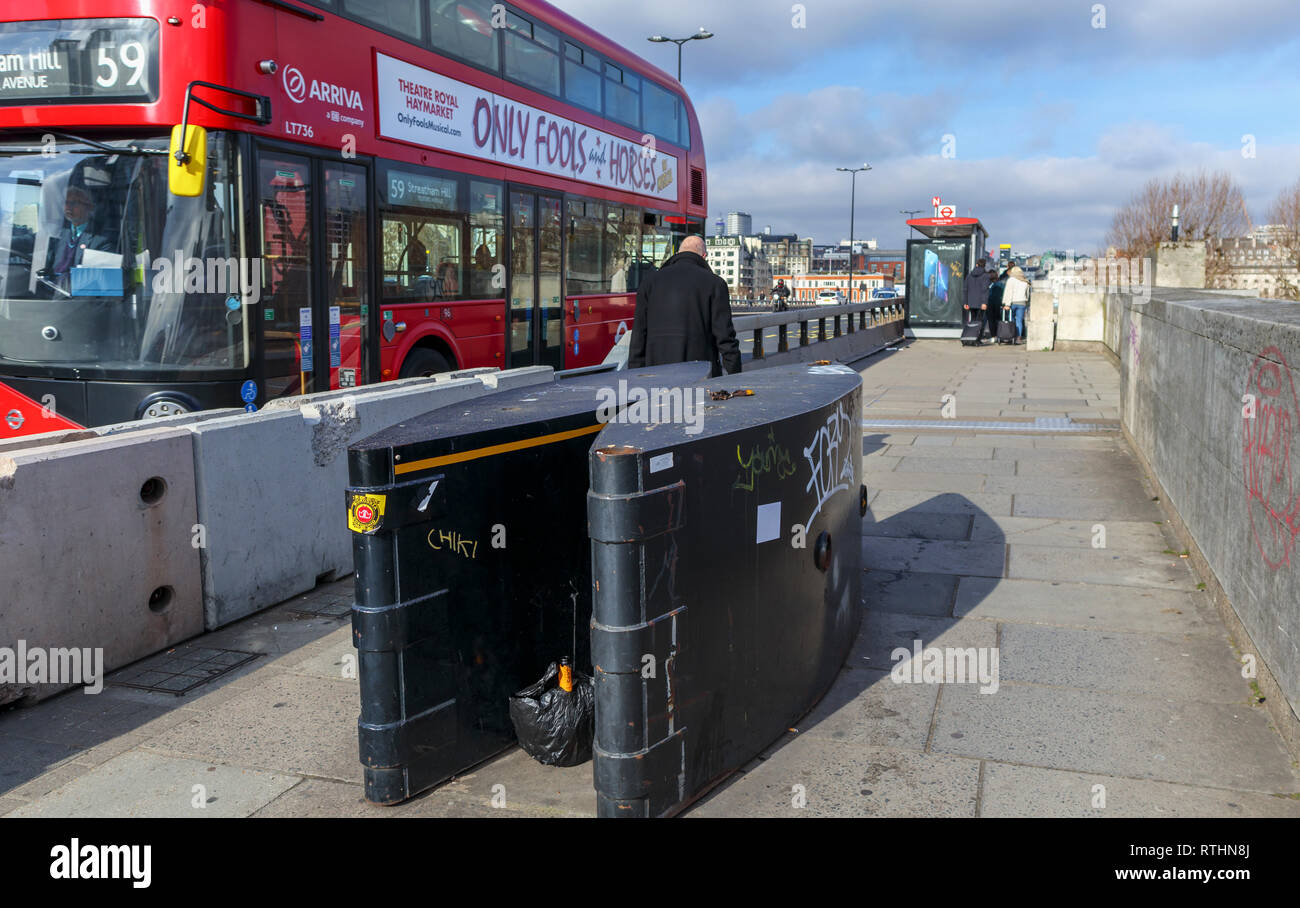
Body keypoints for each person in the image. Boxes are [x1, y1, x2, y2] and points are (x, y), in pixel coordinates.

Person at [629, 234, 740, 377]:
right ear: (704, 256)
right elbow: (725, 336)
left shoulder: (649, 282)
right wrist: (735, 374)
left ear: (677, 253)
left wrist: (634, 377)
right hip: (699, 374)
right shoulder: (715, 284)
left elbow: (639, 334)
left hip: (656, 375)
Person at [44, 184, 113, 292]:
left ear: (89, 207)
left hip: (75, 298)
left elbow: (99, 282)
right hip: (49, 290)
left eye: (74, 203)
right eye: (65, 202)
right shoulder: (60, 232)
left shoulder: (101, 239)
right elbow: (33, 241)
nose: (68, 207)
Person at [963, 257, 993, 342]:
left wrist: (965, 302)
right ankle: (977, 339)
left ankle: (970, 337)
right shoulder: (986, 276)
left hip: (971, 302)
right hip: (980, 303)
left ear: (976, 265)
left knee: (972, 321)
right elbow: (985, 290)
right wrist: (984, 302)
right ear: (984, 266)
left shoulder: (969, 276)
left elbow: (965, 289)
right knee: (980, 322)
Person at [1002, 264, 1031, 344]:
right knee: (1019, 320)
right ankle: (1018, 337)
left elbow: (1008, 292)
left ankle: (1011, 336)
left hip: (1012, 302)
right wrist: (1027, 302)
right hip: (1022, 302)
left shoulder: (1011, 280)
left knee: (1011, 320)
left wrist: (1006, 304)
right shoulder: (1025, 280)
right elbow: (1027, 293)